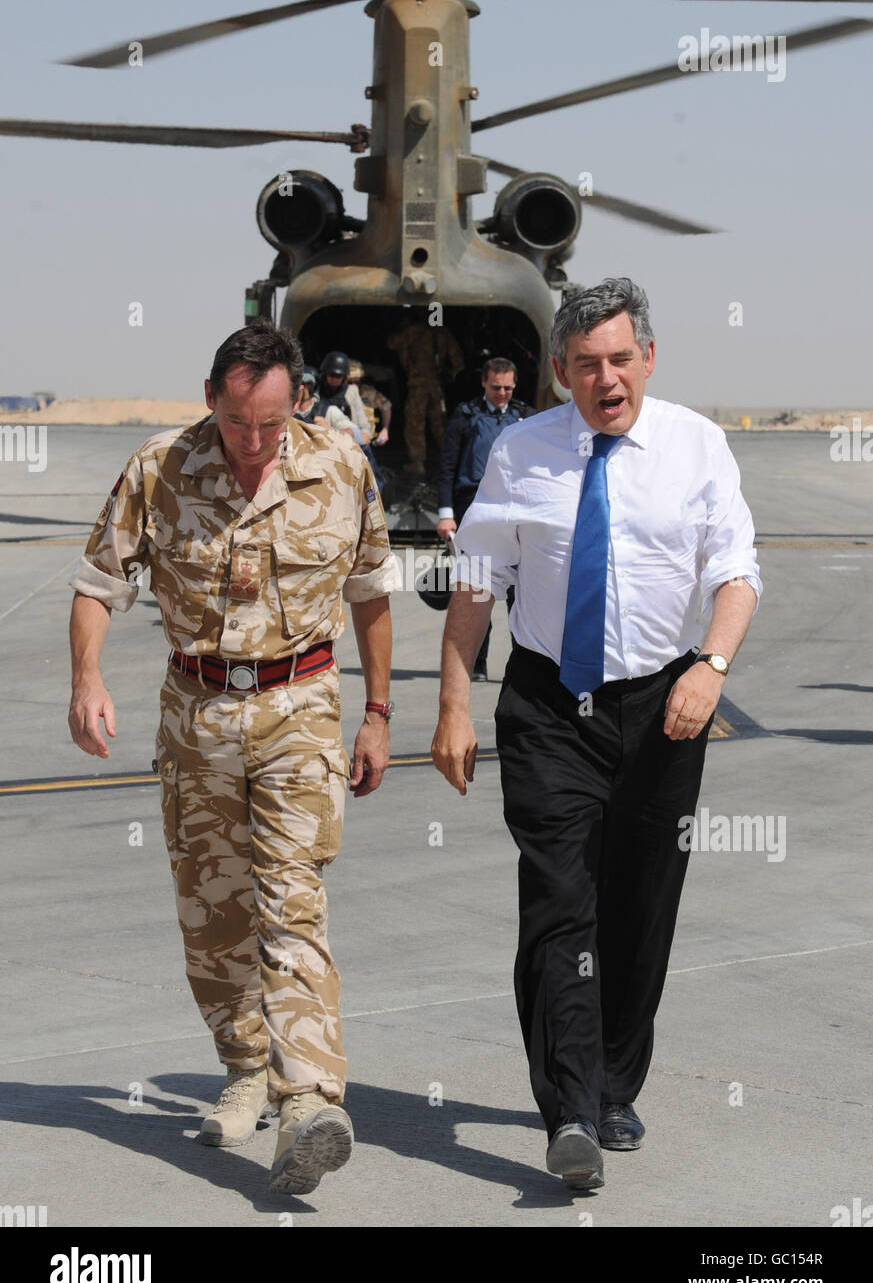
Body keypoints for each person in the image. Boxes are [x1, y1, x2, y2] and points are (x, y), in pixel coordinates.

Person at [430, 277, 761, 1190]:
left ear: (647, 358)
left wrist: (711, 668)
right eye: (584, 364)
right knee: (559, 902)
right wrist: (453, 703)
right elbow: (473, 586)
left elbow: (735, 574)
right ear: (559, 372)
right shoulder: (521, 453)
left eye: (619, 359)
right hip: (547, 708)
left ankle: (615, 1083)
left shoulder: (696, 445)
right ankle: (569, 1111)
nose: (605, 378)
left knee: (640, 906)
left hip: (664, 704)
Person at [67, 320, 399, 1196]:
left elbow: (369, 593)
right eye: (239, 423)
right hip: (197, 711)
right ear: (211, 396)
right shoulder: (159, 467)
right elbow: (100, 581)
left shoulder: (339, 464)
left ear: (297, 404)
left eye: (271, 424)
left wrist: (377, 711)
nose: (255, 443)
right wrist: (87, 675)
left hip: (300, 705)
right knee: (212, 913)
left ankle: (310, 1102)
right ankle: (245, 1069)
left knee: (292, 899)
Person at [437, 357, 533, 681]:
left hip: (516, 511)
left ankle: (524, 663)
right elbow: (447, 467)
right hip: (473, 507)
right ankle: (474, 664)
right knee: (477, 589)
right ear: (484, 383)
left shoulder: (526, 419)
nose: (502, 393)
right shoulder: (464, 417)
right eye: (496, 387)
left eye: (508, 387)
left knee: (521, 592)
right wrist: (446, 514)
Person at [387, 315, 464, 478]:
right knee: (440, 423)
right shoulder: (442, 332)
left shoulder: (414, 330)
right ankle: (450, 461)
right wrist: (450, 373)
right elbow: (458, 362)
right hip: (437, 386)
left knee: (415, 423)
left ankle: (417, 463)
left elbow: (392, 343)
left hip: (418, 385)